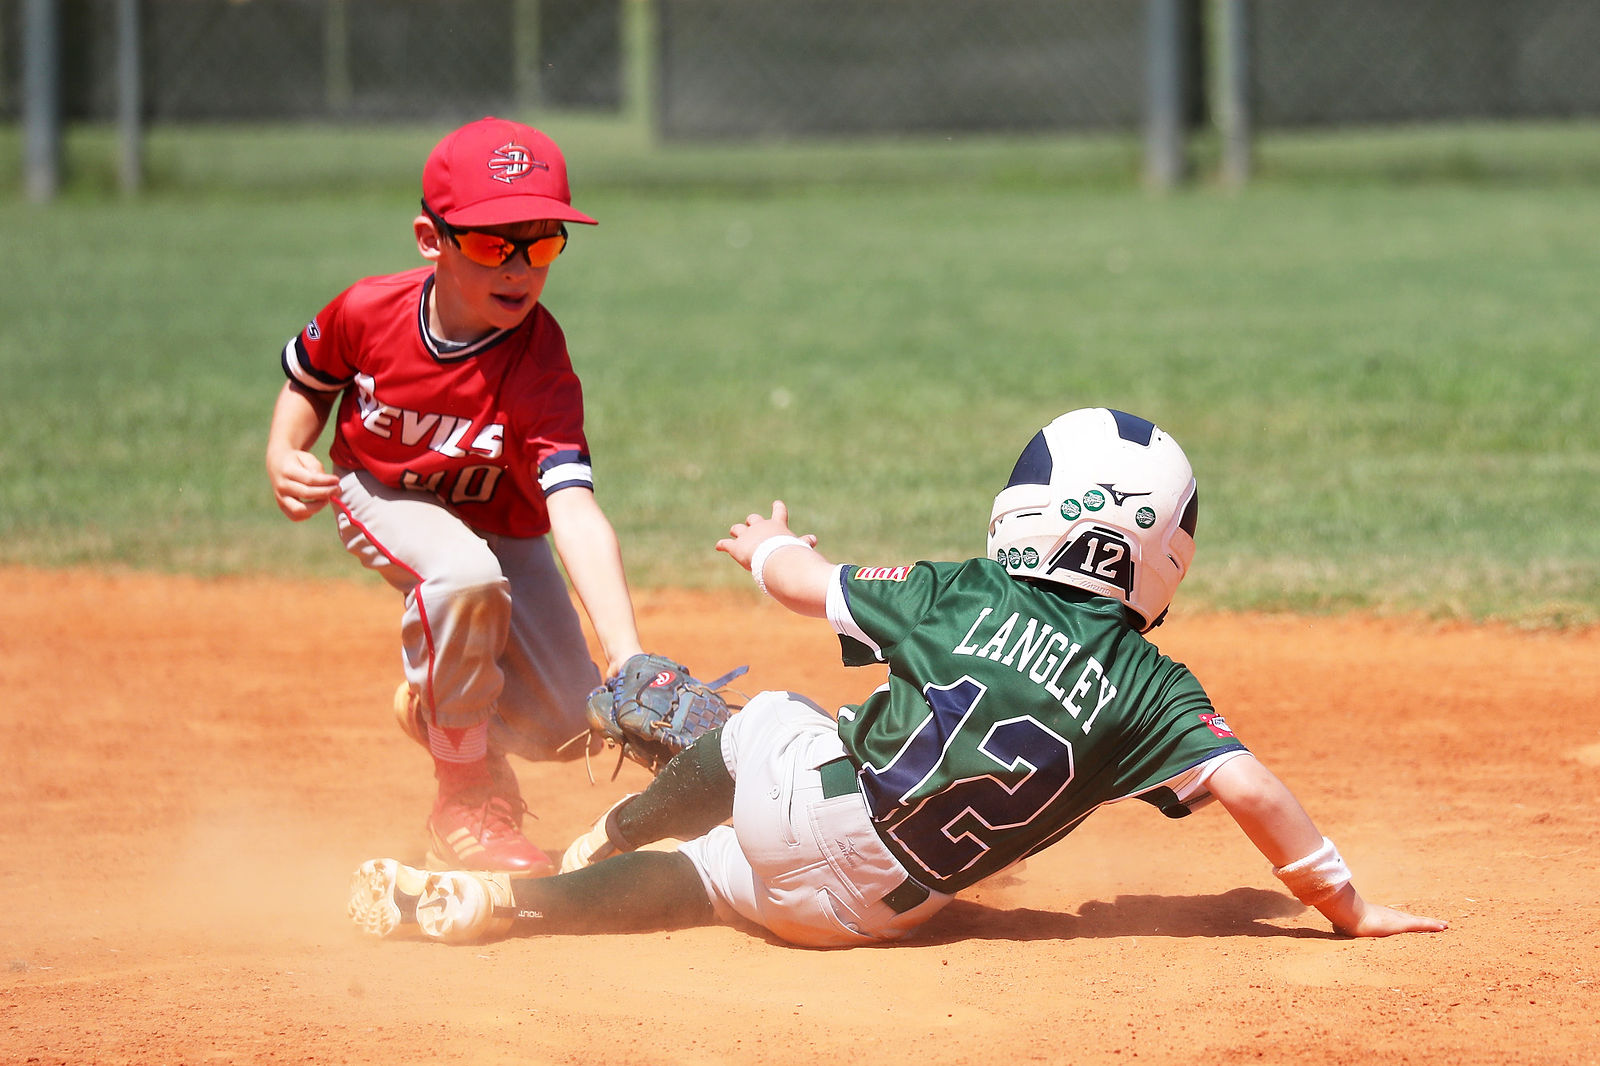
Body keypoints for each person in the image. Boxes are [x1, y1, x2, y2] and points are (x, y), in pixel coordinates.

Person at [346, 408, 1448, 947]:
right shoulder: (1157, 691)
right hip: (865, 916)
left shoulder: (962, 591)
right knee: (713, 883)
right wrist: (1344, 905)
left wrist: (768, 545)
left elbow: (805, 585)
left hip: (807, 805)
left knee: (768, 720)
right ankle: (507, 906)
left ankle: (595, 845)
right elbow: (1249, 787)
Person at [266, 117, 645, 876]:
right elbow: (311, 379)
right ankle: (464, 798)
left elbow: (572, 508)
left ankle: (436, 711)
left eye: (541, 245)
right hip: (381, 489)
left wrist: (628, 655)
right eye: (493, 244)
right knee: (462, 577)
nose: (519, 268)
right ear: (430, 239)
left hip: (502, 525)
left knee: (571, 727)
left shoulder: (541, 361)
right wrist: (284, 448)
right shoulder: (367, 310)